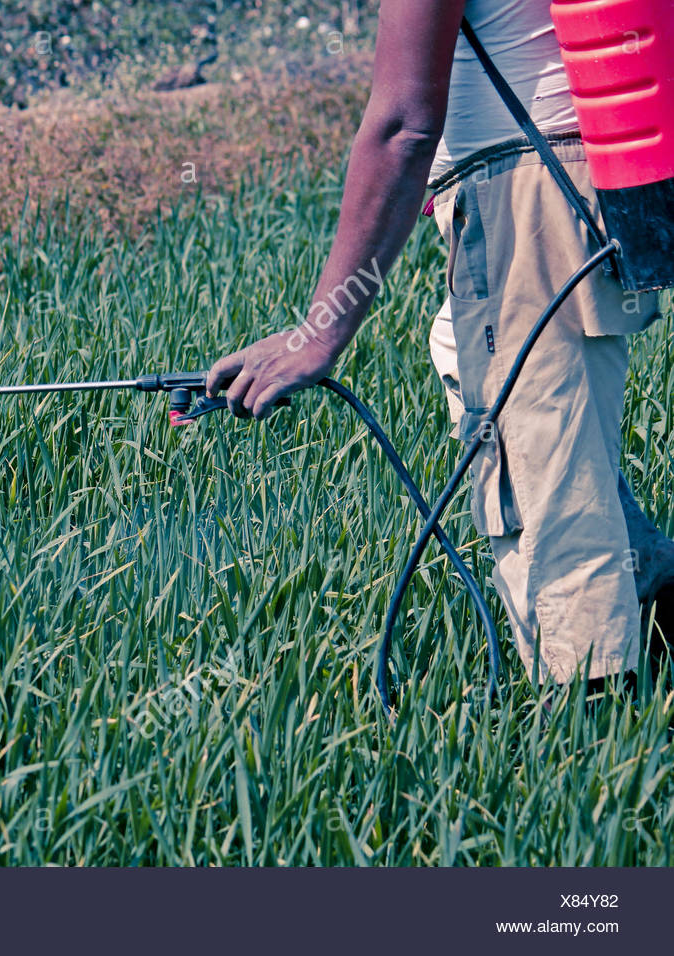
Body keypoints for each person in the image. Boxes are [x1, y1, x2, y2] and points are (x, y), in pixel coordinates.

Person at [204, 0, 673, 696]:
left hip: (532, 195)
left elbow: (403, 126)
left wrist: (320, 332)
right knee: (520, 413)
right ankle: (654, 628)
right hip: (590, 178)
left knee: (547, 486)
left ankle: (595, 739)